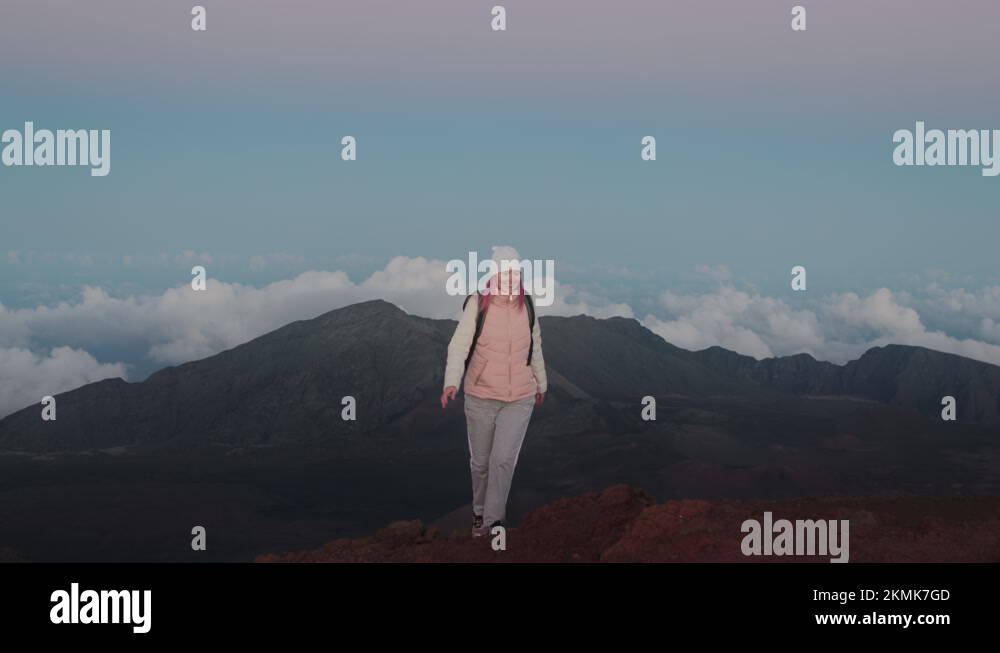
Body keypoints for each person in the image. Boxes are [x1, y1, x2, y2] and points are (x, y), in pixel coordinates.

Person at [440, 246, 547, 538]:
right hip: (481, 396)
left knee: (502, 461)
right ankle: (479, 512)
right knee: (481, 463)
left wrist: (541, 382)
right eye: (505, 271)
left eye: (515, 271)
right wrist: (452, 381)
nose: (510, 277)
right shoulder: (478, 303)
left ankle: (492, 522)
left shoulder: (527, 303)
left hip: (520, 397)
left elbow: (534, 345)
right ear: (494, 273)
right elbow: (459, 345)